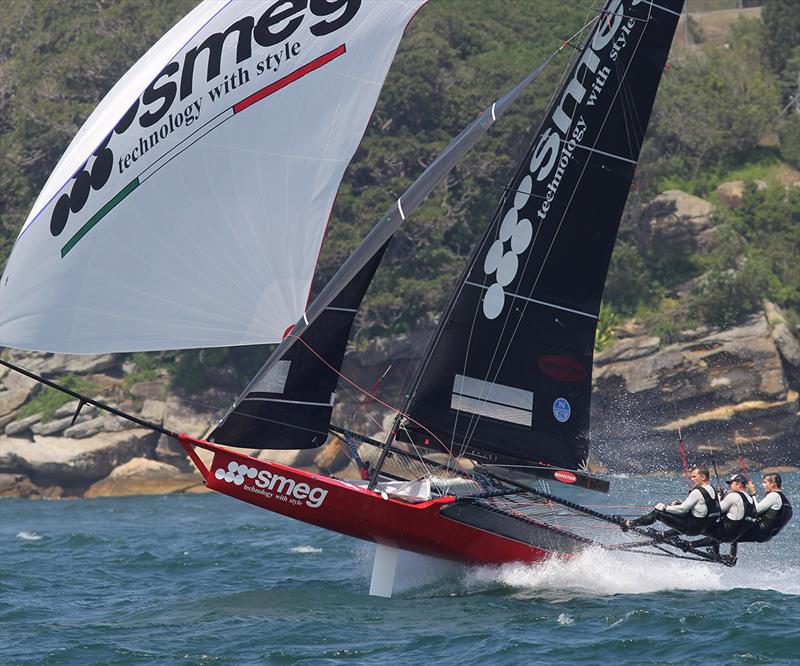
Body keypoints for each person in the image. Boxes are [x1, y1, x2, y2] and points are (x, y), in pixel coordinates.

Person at [620, 466, 720, 536]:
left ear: (703, 477)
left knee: (658, 513)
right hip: (705, 527)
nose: (692, 479)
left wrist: (664, 507)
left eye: (694, 477)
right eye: (691, 477)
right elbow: (702, 508)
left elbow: (682, 509)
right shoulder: (712, 488)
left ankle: (629, 524)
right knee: (674, 508)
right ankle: (665, 534)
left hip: (692, 529)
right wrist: (678, 505)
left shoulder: (697, 492)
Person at [690, 473, 757, 552]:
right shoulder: (750, 500)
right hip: (735, 536)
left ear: (738, 484)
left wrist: (718, 495)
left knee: (701, 521)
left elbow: (716, 510)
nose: (729, 486)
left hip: (724, 534)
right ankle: (716, 552)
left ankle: (687, 542)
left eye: (731, 484)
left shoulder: (734, 496)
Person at [737, 472, 793, 543]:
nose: (762, 485)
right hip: (766, 535)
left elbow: (755, 510)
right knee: (735, 534)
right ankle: (733, 548)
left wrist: (752, 494)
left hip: (758, 531)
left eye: (765, 482)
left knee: (730, 530)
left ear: (773, 484)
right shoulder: (785, 501)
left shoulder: (774, 495)